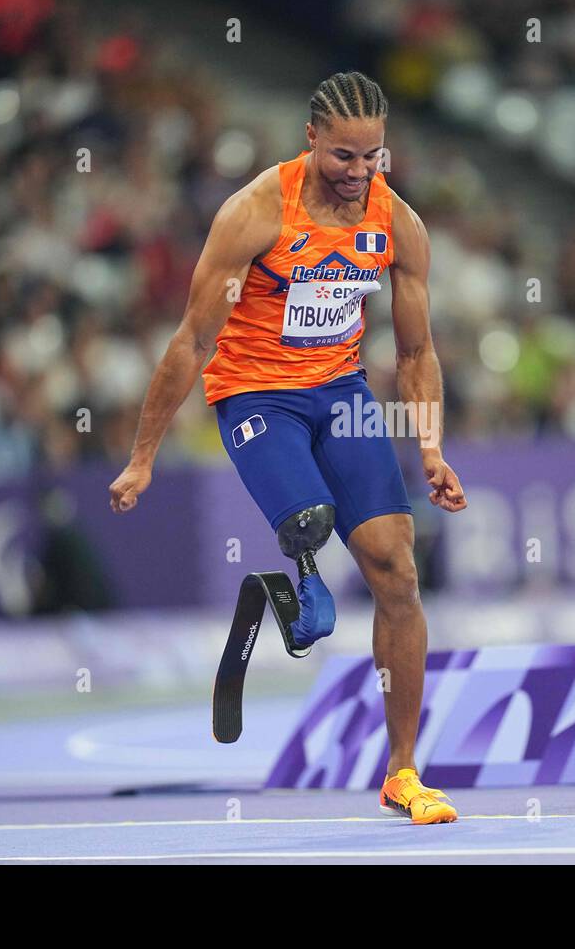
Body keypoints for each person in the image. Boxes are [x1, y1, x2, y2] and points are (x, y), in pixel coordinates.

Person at [109, 72, 466, 824]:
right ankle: (286, 585)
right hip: (255, 395)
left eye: (373, 157)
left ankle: (403, 772)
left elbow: (416, 352)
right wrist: (143, 455)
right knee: (307, 519)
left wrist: (430, 448)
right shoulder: (253, 214)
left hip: (339, 394)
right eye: (343, 156)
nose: (359, 172)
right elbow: (192, 341)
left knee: (398, 568)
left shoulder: (397, 225)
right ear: (309, 139)